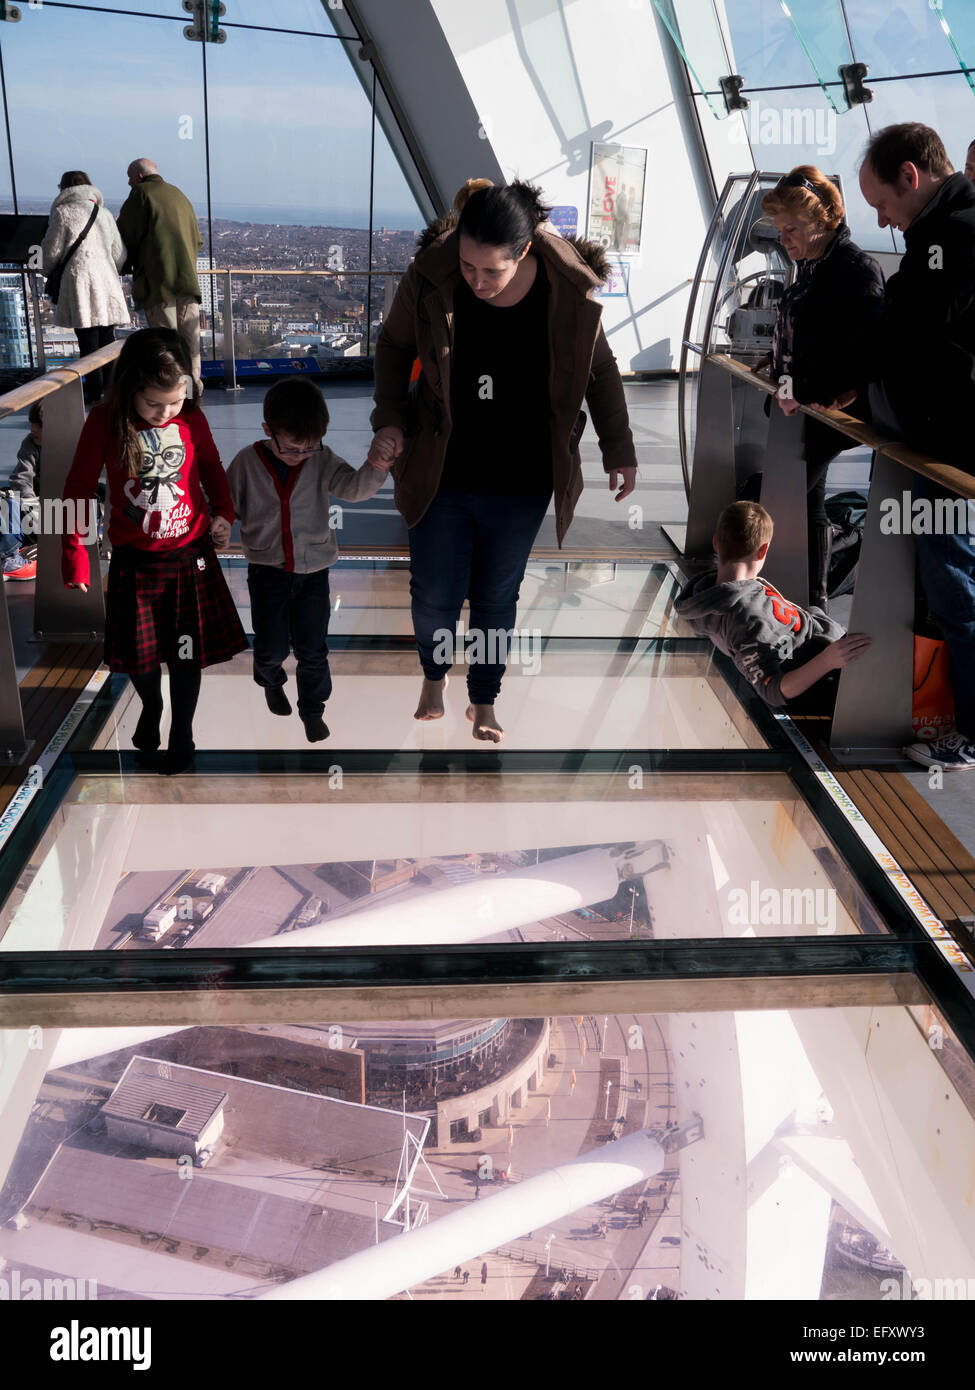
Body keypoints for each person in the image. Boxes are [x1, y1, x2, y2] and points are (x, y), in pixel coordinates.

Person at [371, 178, 638, 743]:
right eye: (468, 265)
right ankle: (434, 675)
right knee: (435, 590)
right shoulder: (431, 275)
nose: (477, 281)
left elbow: (599, 369)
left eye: (492, 271)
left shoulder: (565, 291)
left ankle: (484, 696)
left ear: (524, 251)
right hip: (442, 468)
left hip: (522, 476)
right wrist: (390, 418)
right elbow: (394, 345)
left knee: (497, 593)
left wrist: (618, 448)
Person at [61, 328, 247, 774]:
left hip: (189, 557)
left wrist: (224, 513)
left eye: (176, 401)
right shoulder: (104, 421)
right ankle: (151, 703)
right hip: (135, 561)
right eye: (153, 404)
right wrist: (75, 555)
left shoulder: (192, 419)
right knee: (140, 659)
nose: (166, 413)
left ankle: (182, 733)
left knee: (185, 655)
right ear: (130, 388)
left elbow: (211, 467)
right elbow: (78, 489)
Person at [858, 123, 975, 769]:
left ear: (911, 175)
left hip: (952, 448)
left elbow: (917, 335)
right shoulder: (941, 232)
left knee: (955, 586)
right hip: (942, 439)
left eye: (883, 203)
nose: (882, 219)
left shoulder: (952, 236)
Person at [228, 382, 393, 741]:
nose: (300, 455)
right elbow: (227, 505)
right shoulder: (246, 463)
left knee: (312, 648)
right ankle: (269, 678)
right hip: (267, 571)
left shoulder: (322, 458)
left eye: (309, 447)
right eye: (291, 448)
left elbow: (352, 488)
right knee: (271, 648)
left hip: (314, 572)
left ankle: (313, 708)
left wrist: (376, 466)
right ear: (267, 430)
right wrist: (219, 522)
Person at [757, 166, 884, 609]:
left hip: (821, 415)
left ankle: (791, 596)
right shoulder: (815, 265)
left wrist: (822, 392)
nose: (784, 239)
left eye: (791, 229)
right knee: (807, 503)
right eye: (780, 230)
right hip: (805, 410)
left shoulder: (854, 270)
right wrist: (777, 359)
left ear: (821, 220)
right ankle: (811, 599)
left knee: (784, 502)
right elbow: (809, 335)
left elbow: (868, 350)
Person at [675, 501, 872, 716]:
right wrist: (828, 660)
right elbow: (772, 690)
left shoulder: (726, 591)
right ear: (763, 550)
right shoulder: (742, 620)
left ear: (716, 543)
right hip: (835, 676)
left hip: (833, 646)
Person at [41, 171, 128, 404]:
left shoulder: (63, 212)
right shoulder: (104, 214)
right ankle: (112, 389)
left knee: (87, 340)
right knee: (107, 338)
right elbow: (119, 253)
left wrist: (44, 269)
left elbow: (51, 250)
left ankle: (94, 391)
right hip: (106, 281)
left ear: (63, 188)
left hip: (79, 281)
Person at [117, 159, 204, 390]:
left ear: (139, 176)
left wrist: (125, 265)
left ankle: (172, 391)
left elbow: (125, 236)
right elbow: (197, 239)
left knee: (166, 343)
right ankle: (192, 391)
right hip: (187, 279)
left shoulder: (141, 194)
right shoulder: (178, 194)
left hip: (158, 282)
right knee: (190, 341)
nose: (129, 182)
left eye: (129, 177)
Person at [2, 401, 42, 581]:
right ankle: (9, 555)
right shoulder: (30, 442)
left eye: (39, 425)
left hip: (58, 511)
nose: (33, 429)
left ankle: (9, 557)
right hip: (34, 510)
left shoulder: (70, 446)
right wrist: (33, 506)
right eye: (32, 423)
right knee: (5, 499)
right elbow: (21, 479)